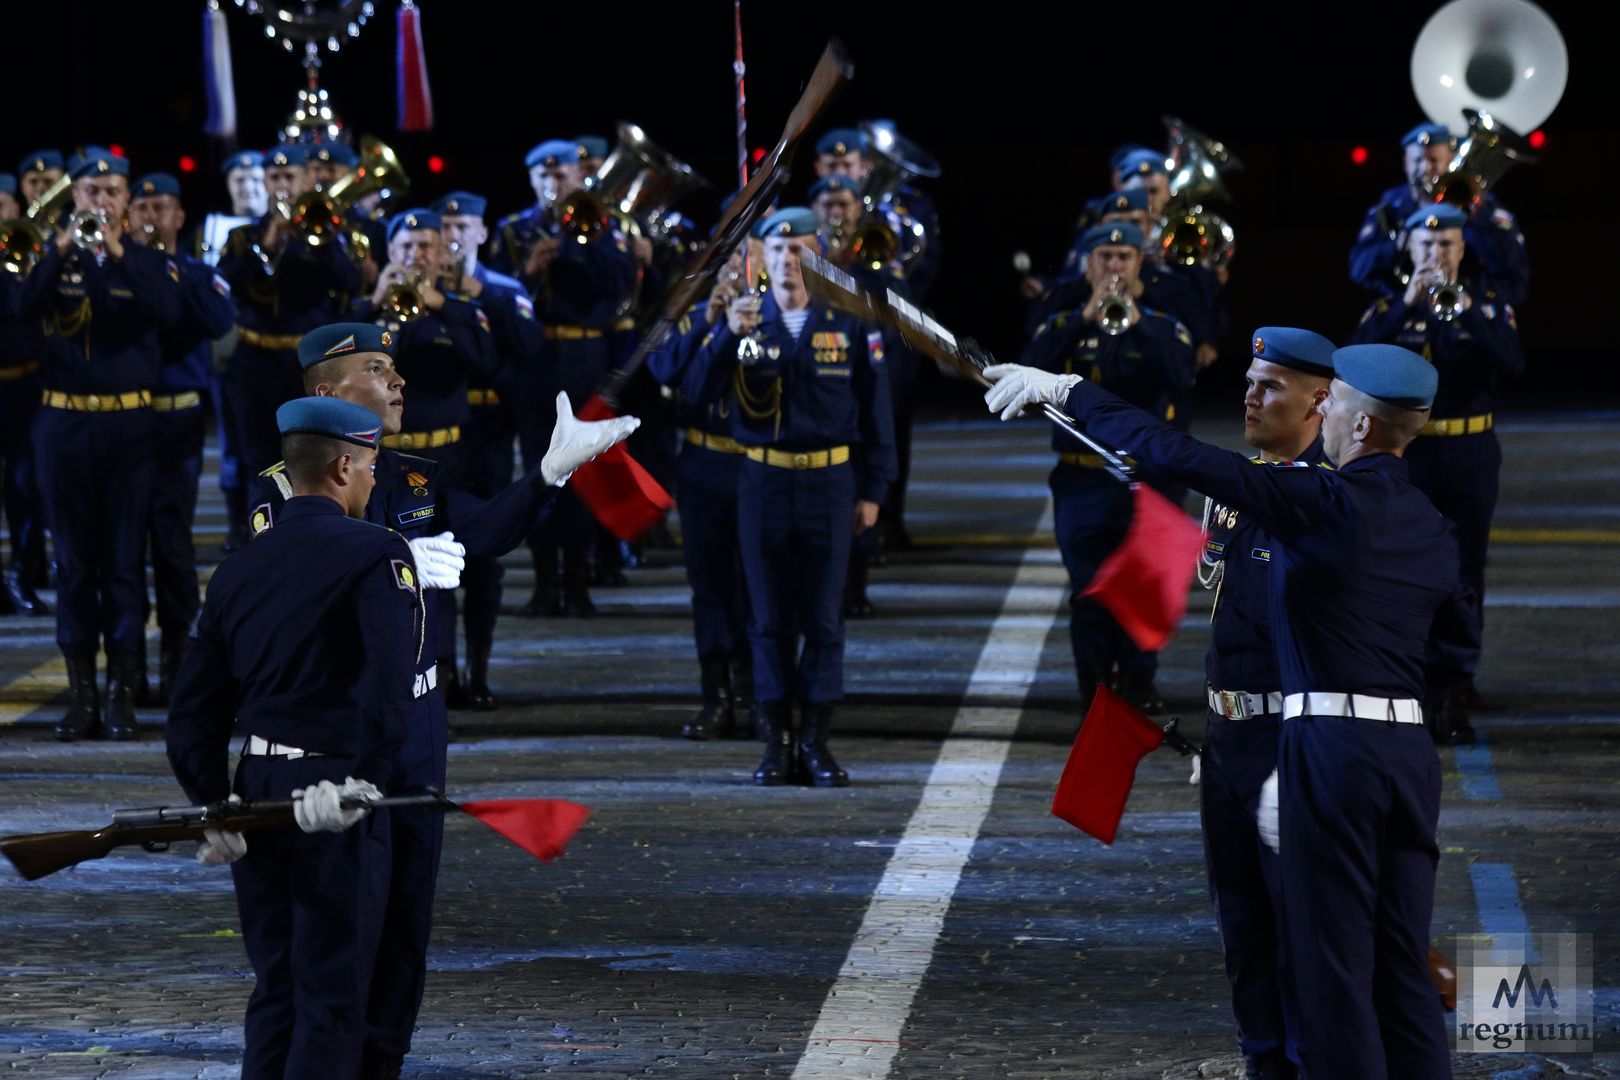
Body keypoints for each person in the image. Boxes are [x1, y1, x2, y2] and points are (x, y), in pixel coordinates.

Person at [984, 342, 1465, 1080]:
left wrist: (1072, 389)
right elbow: (1442, 644)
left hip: (1321, 752)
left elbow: (1179, 454)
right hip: (1403, 755)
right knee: (1395, 969)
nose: (1324, 411)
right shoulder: (1432, 524)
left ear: (1359, 425)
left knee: (1331, 977)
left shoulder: (1321, 501)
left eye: (1329, 401)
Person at [250, 322, 637, 1079]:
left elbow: (486, 532)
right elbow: (282, 578)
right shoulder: (279, 486)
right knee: (332, 940)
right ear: (328, 392)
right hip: (336, 727)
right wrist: (390, 561)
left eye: (395, 368)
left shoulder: (414, 478)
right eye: (377, 369)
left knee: (403, 930)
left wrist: (550, 473)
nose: (398, 382)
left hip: (418, 720)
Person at [166, 395, 415, 1080]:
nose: (374, 481)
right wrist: (364, 776)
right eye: (369, 468)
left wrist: (215, 804)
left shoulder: (239, 567)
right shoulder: (377, 553)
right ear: (341, 467)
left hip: (258, 791)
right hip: (333, 793)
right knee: (332, 998)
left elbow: (192, 714)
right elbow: (388, 693)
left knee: (276, 989)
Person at [683, 208, 896, 786]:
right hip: (763, 480)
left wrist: (875, 490)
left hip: (829, 481)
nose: (787, 262)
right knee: (768, 618)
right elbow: (694, 393)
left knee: (824, 619)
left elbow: (879, 414)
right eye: (776, 252)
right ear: (761, 258)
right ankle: (775, 740)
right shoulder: (745, 318)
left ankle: (816, 741)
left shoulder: (851, 319)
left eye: (799, 251)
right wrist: (726, 334)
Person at [1196, 328, 1335, 1080]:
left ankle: (1310, 1062)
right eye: (1249, 380)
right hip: (1229, 740)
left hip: (1291, 742)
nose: (1250, 395)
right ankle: (1263, 1060)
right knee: (1242, 921)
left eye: (1271, 385)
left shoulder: (1325, 495)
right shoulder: (1236, 491)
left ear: (1320, 401)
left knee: (1298, 924)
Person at [17, 148, 182, 742]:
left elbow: (168, 311)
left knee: (121, 563)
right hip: (62, 426)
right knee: (73, 564)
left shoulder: (143, 260)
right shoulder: (48, 255)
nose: (101, 202)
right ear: (73, 197)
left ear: (127, 200)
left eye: (113, 193)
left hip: (128, 429)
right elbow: (15, 309)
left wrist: (116, 252)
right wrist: (60, 247)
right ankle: (81, 692)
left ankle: (121, 694)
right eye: (91, 193)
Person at [1349, 202, 1524, 739]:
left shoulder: (1489, 307)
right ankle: (1407, 679)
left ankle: (1452, 685)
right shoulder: (1386, 308)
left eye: (1445, 244)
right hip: (1407, 456)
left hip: (1469, 452)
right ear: (1408, 248)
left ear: (1462, 249)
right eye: (1425, 245)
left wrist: (1465, 309)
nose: (1435, 253)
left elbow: (1513, 363)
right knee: (1397, 567)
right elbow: (1356, 365)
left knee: (1464, 571)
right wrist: (1405, 307)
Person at [1019, 221, 1195, 713]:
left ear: (1140, 263)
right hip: (1081, 477)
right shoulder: (1063, 321)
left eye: (1123, 256)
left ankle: (1140, 682)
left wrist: (1136, 321)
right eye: (1105, 256)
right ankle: (1093, 687)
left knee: (1144, 586)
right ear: (1087, 263)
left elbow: (1181, 378)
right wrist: (1081, 318)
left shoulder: (1162, 325)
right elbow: (1031, 369)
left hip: (1147, 477)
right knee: (1090, 589)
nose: (1114, 266)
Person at [127, 173, 236, 705]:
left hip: (176, 423)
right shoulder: (117, 273)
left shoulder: (197, 272)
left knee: (171, 547)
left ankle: (177, 662)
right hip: (123, 422)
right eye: (142, 206)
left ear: (178, 217)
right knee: (121, 549)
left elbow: (219, 322)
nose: (150, 216)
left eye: (161, 206)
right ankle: (126, 671)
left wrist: (171, 273)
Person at [433, 190, 542, 707]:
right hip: (437, 434)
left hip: (490, 433)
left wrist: (483, 298)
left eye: (463, 226)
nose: (454, 236)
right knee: (434, 554)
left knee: (485, 558)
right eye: (445, 227)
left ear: (481, 232)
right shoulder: (420, 288)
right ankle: (443, 671)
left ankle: (477, 671)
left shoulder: (503, 288)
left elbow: (530, 349)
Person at [1348, 121, 1528, 305]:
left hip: (1469, 311)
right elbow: (1359, 270)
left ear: (1450, 159)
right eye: (1417, 160)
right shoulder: (1388, 209)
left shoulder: (1481, 206)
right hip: (1405, 311)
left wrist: (1475, 220)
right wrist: (1400, 244)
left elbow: (1514, 273)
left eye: (1434, 159)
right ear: (1405, 164)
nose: (1426, 168)